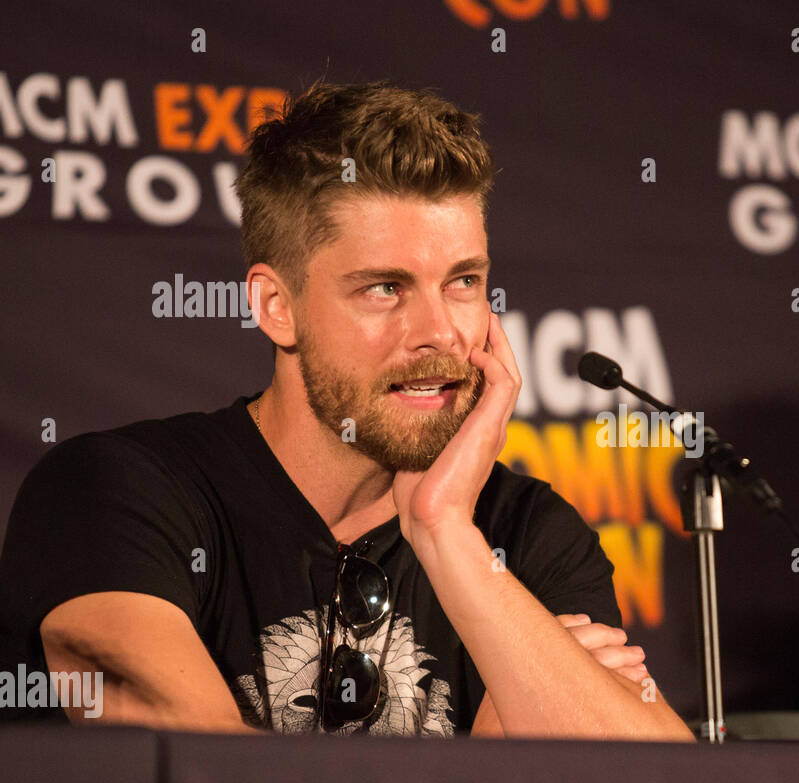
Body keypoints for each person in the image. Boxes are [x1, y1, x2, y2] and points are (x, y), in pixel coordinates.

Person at [0, 81, 693, 741]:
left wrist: (444, 532)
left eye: (464, 282)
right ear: (276, 307)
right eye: (385, 288)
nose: (441, 333)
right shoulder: (115, 494)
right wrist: (502, 751)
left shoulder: (525, 533)